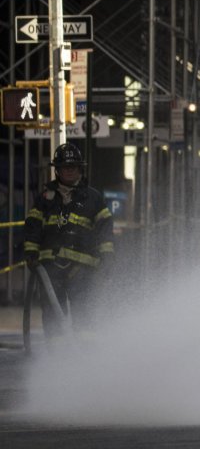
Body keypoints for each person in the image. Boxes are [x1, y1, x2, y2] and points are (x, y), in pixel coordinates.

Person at [22, 142, 115, 340]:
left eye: (73, 167)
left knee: (84, 317)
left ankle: (84, 358)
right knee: (53, 317)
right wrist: (31, 252)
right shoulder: (46, 198)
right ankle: (57, 360)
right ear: (58, 170)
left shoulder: (93, 198)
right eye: (65, 167)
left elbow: (105, 230)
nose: (69, 171)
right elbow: (33, 226)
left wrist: (107, 257)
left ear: (80, 169)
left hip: (83, 269)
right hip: (50, 269)